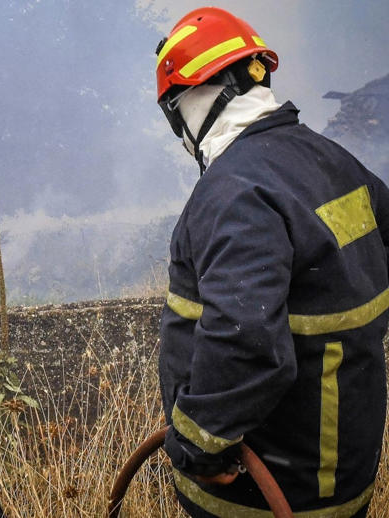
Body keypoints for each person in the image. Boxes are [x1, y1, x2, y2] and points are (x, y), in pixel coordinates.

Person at [155, 7, 387, 517]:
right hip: (342, 472)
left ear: (189, 102)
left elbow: (245, 336)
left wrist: (199, 445)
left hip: (264, 493)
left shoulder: (236, 192)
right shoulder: (330, 160)